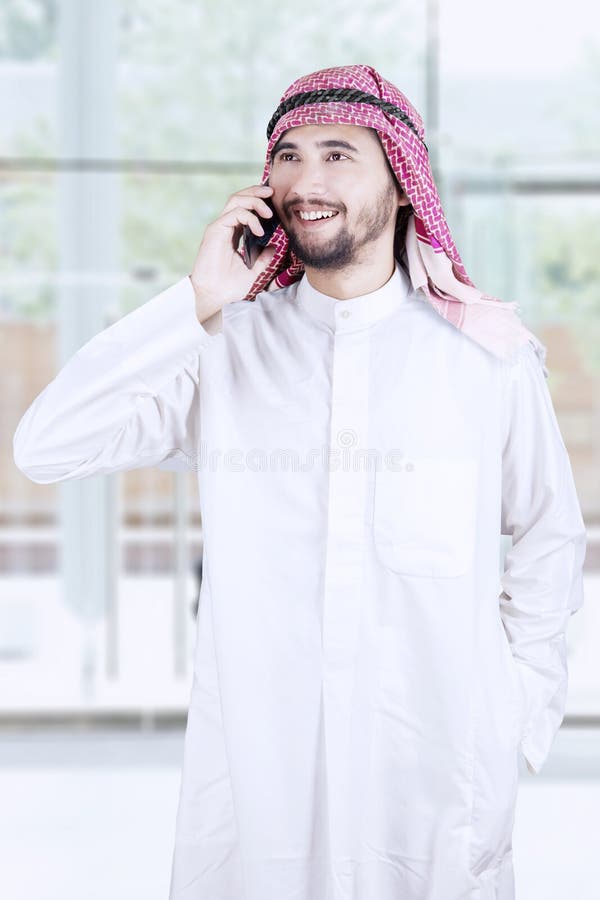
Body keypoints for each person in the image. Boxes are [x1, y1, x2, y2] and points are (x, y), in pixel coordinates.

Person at [13, 64, 586, 900]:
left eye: (337, 154)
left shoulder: (485, 359)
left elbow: (550, 535)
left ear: (401, 183)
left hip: (429, 788)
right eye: (286, 154)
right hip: (261, 792)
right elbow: (46, 445)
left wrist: (518, 717)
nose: (305, 181)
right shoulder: (222, 346)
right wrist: (198, 299)